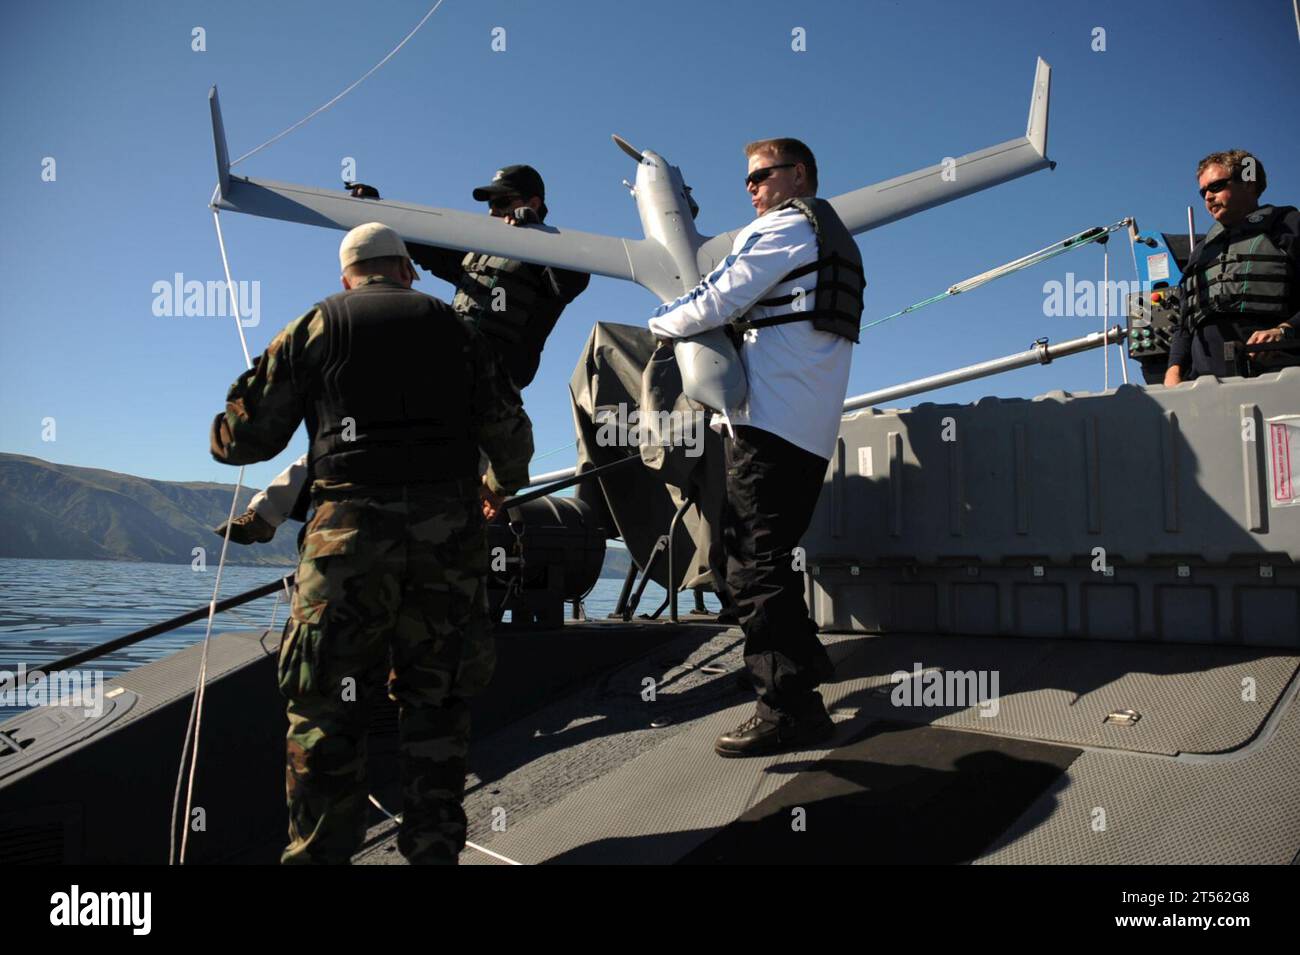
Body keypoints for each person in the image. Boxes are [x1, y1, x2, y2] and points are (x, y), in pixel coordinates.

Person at [210, 222, 534, 863]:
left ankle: (321, 855)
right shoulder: (458, 331)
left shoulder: (316, 327)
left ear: (347, 277)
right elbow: (512, 437)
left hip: (346, 546)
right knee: (437, 704)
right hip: (448, 549)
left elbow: (237, 442)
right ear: (407, 270)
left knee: (326, 706)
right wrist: (497, 484)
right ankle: (434, 852)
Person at [216, 164, 587, 543]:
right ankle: (264, 514)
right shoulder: (479, 253)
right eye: (490, 204)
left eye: (502, 202)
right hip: (434, 369)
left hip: (487, 390)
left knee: (459, 474)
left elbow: (572, 280)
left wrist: (538, 236)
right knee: (351, 430)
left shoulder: (556, 266)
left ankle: (447, 549)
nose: (492, 212)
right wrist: (380, 212)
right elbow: (426, 249)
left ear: (534, 202)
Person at [647, 138, 865, 757]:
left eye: (762, 176)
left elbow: (720, 296)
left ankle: (789, 709)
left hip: (771, 427)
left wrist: (660, 323)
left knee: (750, 568)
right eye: (748, 179)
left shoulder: (786, 228)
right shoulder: (827, 236)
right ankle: (794, 669)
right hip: (802, 428)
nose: (751, 189)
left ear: (799, 175)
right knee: (746, 560)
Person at [1164, 150, 1299, 385]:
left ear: (1248, 183)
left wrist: (1285, 330)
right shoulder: (1201, 251)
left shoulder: (1287, 226)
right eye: (1203, 191)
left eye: (1216, 186)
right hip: (1206, 384)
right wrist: (1173, 370)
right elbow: (1185, 321)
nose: (1207, 196)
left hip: (1280, 376)